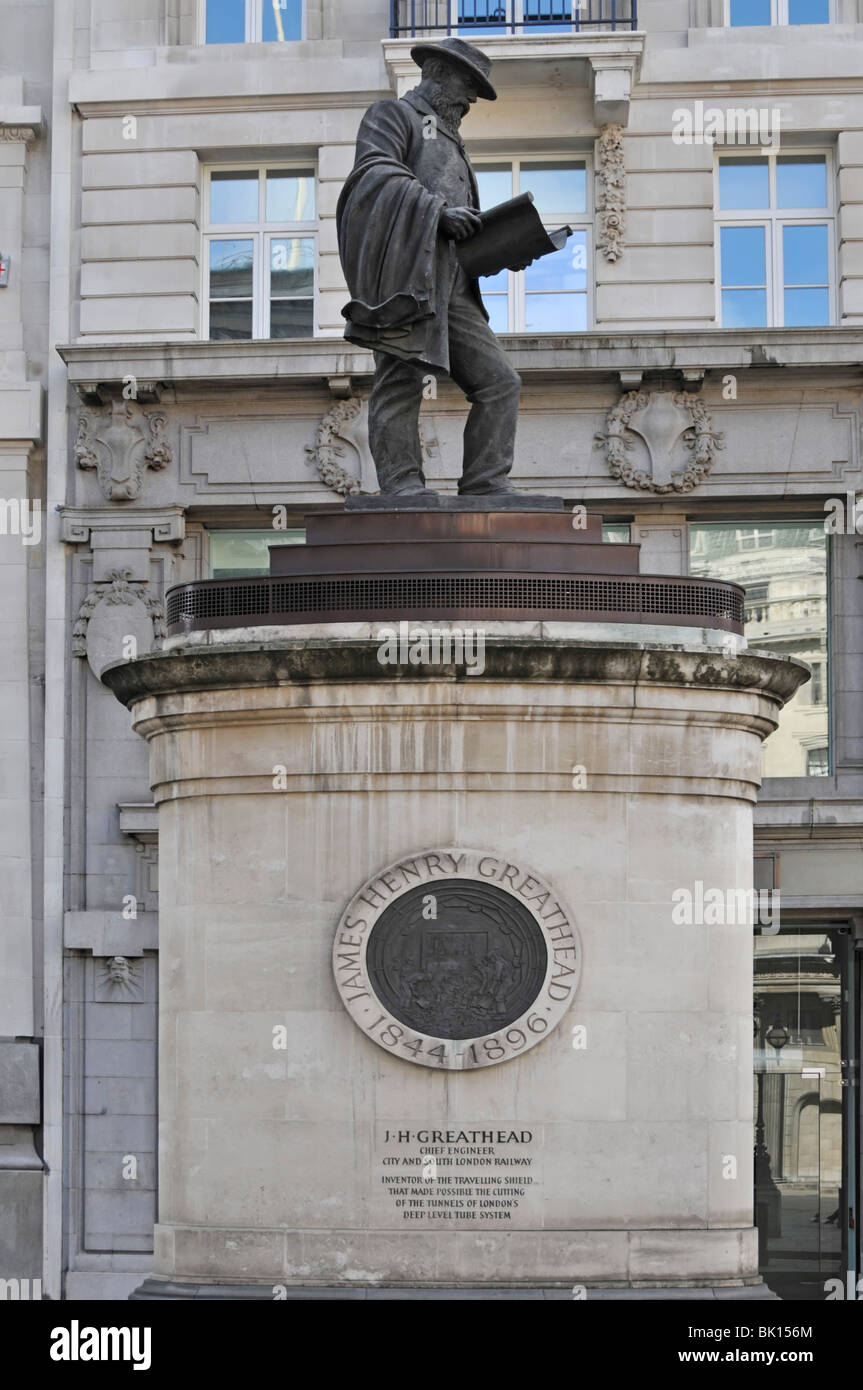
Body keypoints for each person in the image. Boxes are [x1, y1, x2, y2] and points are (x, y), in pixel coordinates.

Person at [336, 38, 523, 498]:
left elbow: (460, 223)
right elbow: (373, 176)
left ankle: (486, 482)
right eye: (467, 84)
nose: (471, 99)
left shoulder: (452, 139)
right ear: (437, 72)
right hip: (408, 279)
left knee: (500, 381)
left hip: (455, 285)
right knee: (401, 380)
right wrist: (436, 212)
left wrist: (501, 246)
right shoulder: (393, 115)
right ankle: (401, 484)